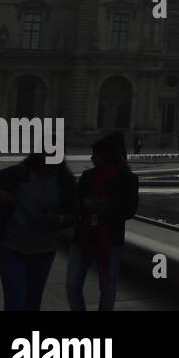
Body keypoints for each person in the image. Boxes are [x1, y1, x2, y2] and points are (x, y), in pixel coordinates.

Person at [0, 153, 77, 311]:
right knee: (14, 302)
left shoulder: (65, 182)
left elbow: (73, 214)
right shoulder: (18, 173)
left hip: (44, 250)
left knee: (33, 303)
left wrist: (55, 220)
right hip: (12, 247)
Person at [66, 133, 139, 311]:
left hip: (109, 238)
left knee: (108, 288)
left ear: (105, 156)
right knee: (72, 284)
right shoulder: (87, 176)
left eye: (95, 154)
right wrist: (84, 205)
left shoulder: (128, 179)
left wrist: (106, 208)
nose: (91, 158)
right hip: (84, 237)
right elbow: (76, 204)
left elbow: (130, 210)